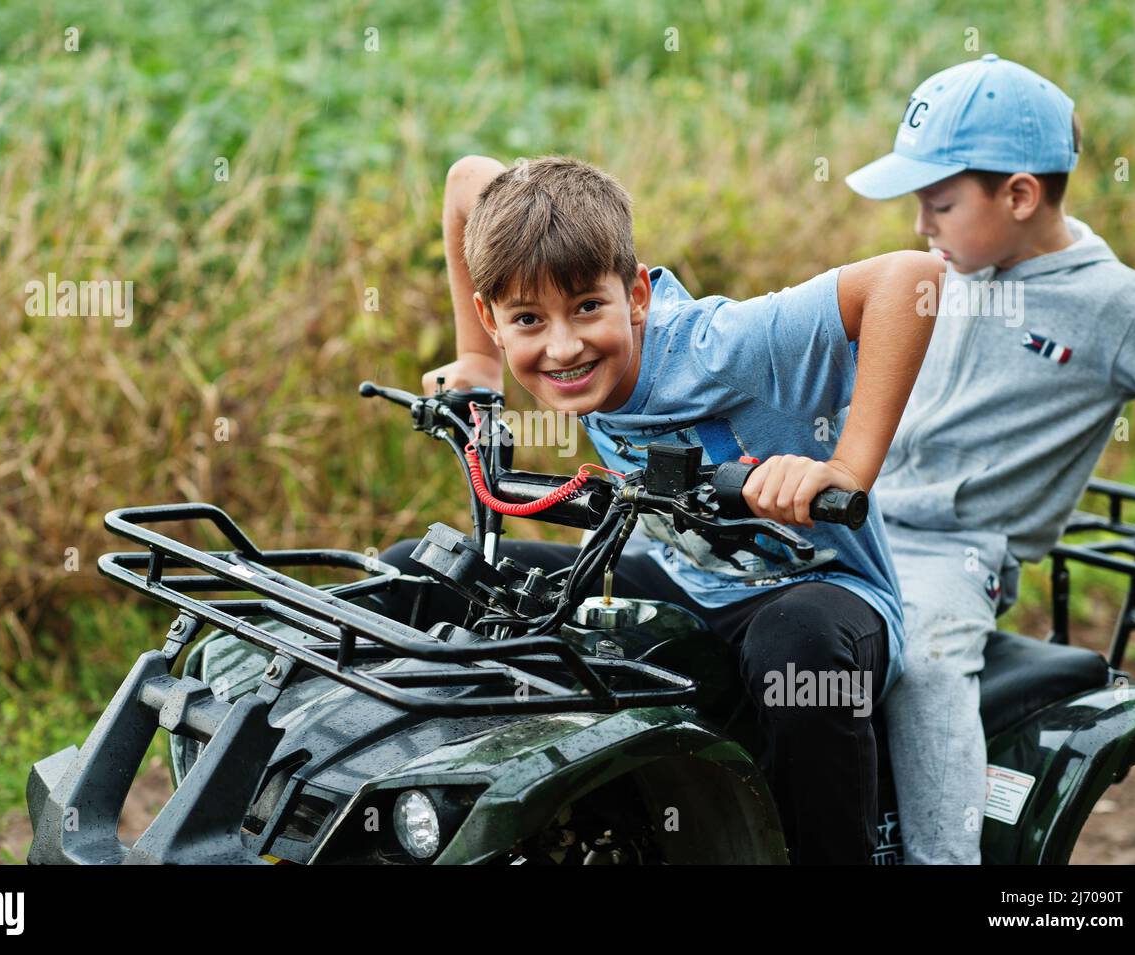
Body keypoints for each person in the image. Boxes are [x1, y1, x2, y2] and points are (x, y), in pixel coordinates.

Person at [378, 152, 944, 863]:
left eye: (588, 306)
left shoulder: (718, 347)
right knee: (422, 574)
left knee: (796, 652)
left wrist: (843, 469)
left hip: (821, 590)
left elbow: (911, 279)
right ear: (495, 317)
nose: (562, 345)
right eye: (528, 319)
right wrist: (477, 362)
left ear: (637, 295)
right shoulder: (536, 325)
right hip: (679, 575)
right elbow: (466, 181)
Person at [845, 54, 1135, 863]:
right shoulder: (948, 268)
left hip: (953, 555)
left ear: (1020, 195)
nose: (922, 225)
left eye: (941, 202)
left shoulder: (1114, 307)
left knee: (921, 661)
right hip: (855, 511)